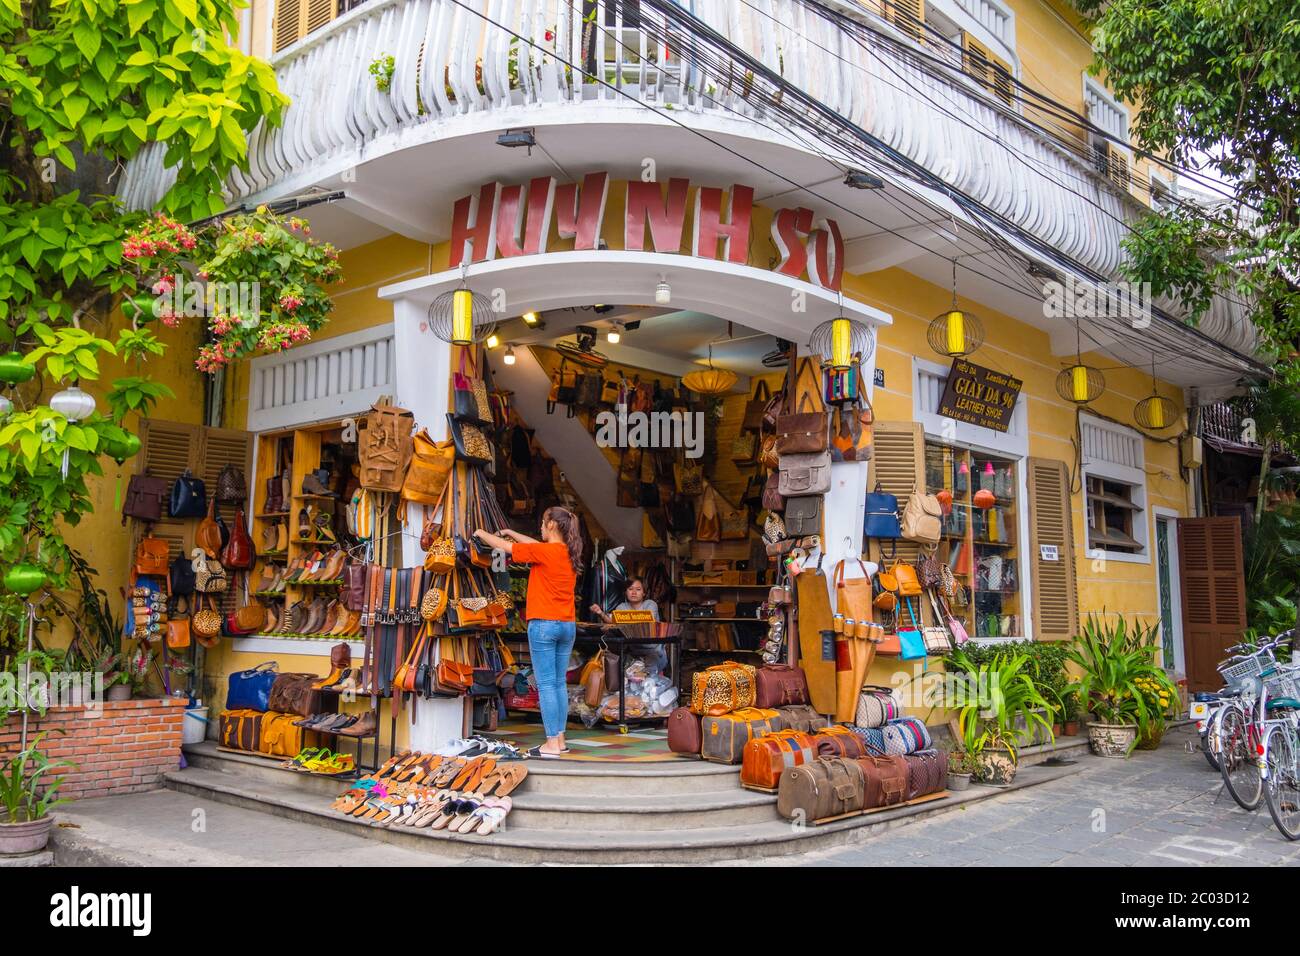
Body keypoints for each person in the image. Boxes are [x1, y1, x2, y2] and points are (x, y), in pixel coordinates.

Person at [474, 507, 582, 758]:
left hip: (544, 624)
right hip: (567, 625)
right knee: (558, 684)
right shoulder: (567, 552)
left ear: (553, 525)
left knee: (545, 685)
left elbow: (508, 548)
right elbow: (532, 544)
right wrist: (512, 531)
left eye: (543, 523)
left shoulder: (545, 552)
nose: (541, 528)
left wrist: (480, 533)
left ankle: (551, 744)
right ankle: (560, 739)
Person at [590, 578, 667, 674]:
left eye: (638, 589)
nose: (634, 592)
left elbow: (646, 620)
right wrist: (600, 613)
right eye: (630, 589)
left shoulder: (650, 604)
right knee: (627, 677)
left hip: (653, 652)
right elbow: (613, 622)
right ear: (625, 592)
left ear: (644, 593)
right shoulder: (622, 607)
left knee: (649, 680)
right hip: (632, 653)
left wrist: (619, 624)